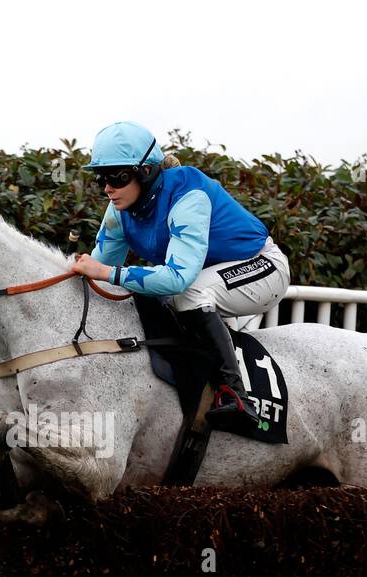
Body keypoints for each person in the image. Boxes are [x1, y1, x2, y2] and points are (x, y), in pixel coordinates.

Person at [70, 120, 291, 434]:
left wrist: (106, 271)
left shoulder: (189, 196)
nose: (108, 188)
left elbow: (175, 279)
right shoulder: (118, 210)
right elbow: (98, 274)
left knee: (188, 294)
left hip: (262, 266)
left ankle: (236, 395)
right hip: (208, 276)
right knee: (158, 297)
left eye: (117, 178)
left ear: (146, 171)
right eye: (101, 179)